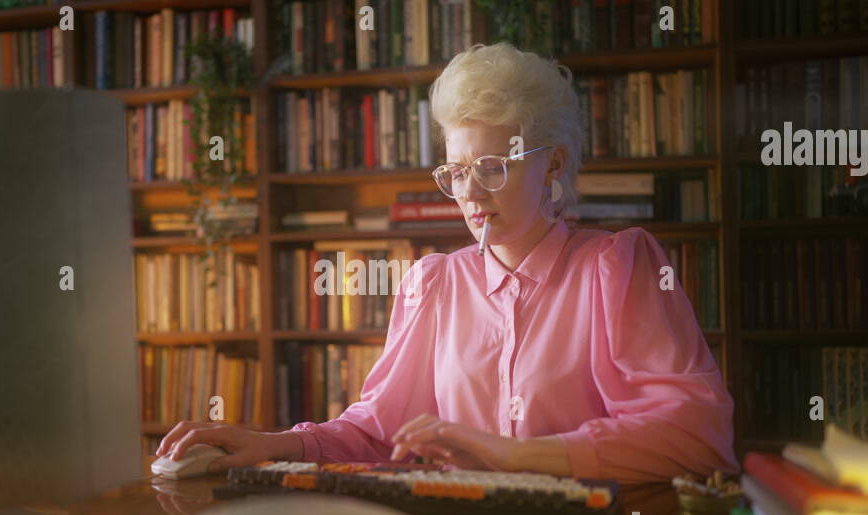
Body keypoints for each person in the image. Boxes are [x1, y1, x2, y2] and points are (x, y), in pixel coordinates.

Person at [156, 42, 740, 483]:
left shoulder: (616, 265)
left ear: (555, 165)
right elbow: (378, 432)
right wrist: (273, 445)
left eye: (493, 166)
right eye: (457, 172)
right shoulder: (433, 282)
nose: (470, 193)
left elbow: (696, 434)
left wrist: (513, 455)